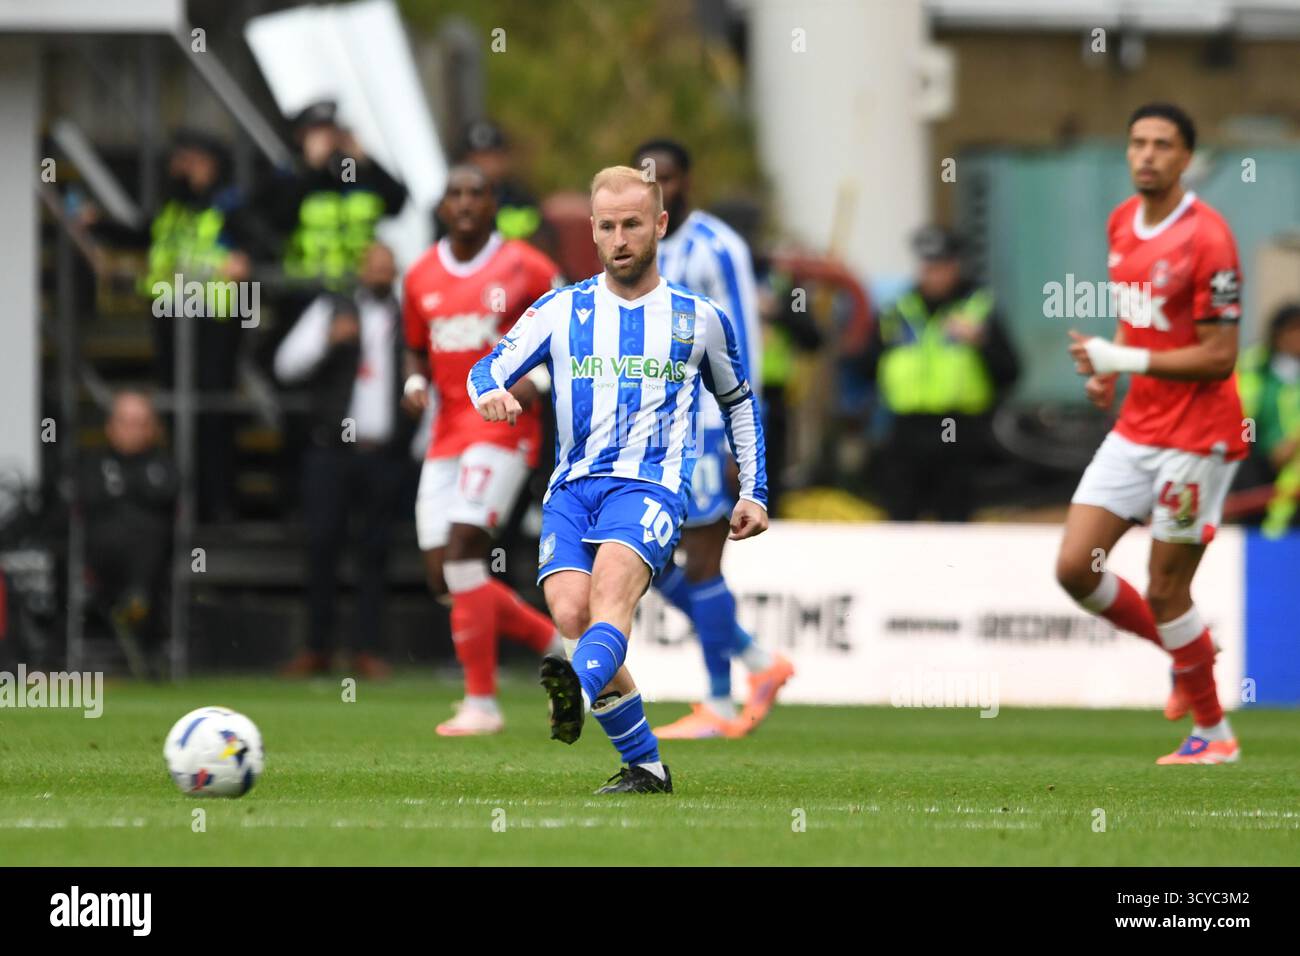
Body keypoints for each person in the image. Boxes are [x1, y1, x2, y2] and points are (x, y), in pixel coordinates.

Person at [468, 166, 769, 794]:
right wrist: (492, 393)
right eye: (606, 226)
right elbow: (486, 368)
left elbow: (739, 402)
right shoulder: (562, 309)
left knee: (609, 599)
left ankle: (575, 690)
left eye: (633, 224)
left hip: (651, 485)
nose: (619, 238)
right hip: (571, 489)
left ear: (659, 225)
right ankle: (647, 767)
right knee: (572, 613)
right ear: (593, 231)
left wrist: (753, 491)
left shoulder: (698, 318)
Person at [1058, 102, 1245, 765]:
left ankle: (1214, 735)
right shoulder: (1121, 222)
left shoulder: (1209, 239)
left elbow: (1220, 356)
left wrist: (1124, 359)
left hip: (1198, 439)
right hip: (1138, 427)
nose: (1147, 154)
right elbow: (1139, 319)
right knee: (1075, 568)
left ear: (1186, 158)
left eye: (1163, 145)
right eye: (1138, 142)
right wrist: (1110, 372)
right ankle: (1189, 648)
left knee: (1166, 589)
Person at [629, 138, 793, 739]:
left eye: (667, 178)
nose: (657, 189)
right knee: (640, 557)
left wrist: (738, 443)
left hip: (703, 425)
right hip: (647, 427)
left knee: (700, 562)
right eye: (647, 179)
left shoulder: (717, 247)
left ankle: (721, 704)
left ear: (687, 181)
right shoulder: (633, 244)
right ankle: (758, 660)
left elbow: (742, 342)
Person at [402, 165, 565, 735]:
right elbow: (415, 346)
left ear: (494, 203)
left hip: (503, 427)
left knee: (463, 550)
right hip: (447, 431)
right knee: (444, 576)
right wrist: (414, 381)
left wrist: (536, 383)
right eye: (456, 194)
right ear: (442, 207)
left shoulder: (528, 266)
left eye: (477, 193)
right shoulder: (420, 274)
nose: (466, 203)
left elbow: (571, 332)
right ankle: (559, 646)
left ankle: (482, 702)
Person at [273, 242, 413, 679]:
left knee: (376, 552)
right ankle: (317, 647)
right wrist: (327, 341)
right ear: (359, 270)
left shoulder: (409, 317)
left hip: (384, 452)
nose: (380, 275)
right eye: (373, 267)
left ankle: (367, 649)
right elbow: (285, 366)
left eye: (387, 268)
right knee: (321, 546)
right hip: (331, 451)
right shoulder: (331, 308)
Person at [860, 225, 1020, 521]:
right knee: (900, 517)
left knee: (954, 517)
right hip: (906, 427)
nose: (934, 275)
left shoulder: (978, 307)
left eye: (941, 266)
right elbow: (865, 367)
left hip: (956, 427)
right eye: (928, 266)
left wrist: (982, 341)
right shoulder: (896, 311)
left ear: (955, 266)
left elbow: (1009, 371)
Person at [80, 391, 178, 672]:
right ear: (111, 427)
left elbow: (166, 494)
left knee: (149, 533)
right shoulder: (93, 463)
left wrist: (125, 492)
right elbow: (89, 497)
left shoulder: (164, 463)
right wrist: (136, 493)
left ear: (152, 428)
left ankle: (138, 603)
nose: (132, 431)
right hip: (103, 557)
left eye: (139, 423)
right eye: (126, 422)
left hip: (154, 559)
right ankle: (135, 603)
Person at [1237, 303, 1300, 534]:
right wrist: (1254, 445)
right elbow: (1246, 418)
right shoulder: (1255, 366)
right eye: (1293, 330)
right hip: (1261, 465)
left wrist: (1293, 442)